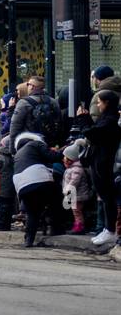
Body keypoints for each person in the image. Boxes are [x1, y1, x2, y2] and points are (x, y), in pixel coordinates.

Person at [81, 89, 120, 246]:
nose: (98, 105)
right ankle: (107, 228)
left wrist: (82, 120)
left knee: (107, 197)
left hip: (105, 163)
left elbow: (92, 133)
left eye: (99, 102)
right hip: (101, 162)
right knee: (104, 197)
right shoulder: (108, 119)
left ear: (107, 103)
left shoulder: (110, 120)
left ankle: (110, 230)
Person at [13, 130, 59, 248]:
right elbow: (52, 157)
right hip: (38, 177)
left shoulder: (18, 154)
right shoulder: (36, 144)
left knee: (32, 212)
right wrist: (65, 150)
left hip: (20, 184)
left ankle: (29, 239)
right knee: (56, 200)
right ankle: (55, 228)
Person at [61, 143, 95, 235]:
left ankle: (79, 227)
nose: (63, 159)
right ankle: (77, 226)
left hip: (77, 195)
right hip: (74, 195)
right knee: (76, 211)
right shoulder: (72, 168)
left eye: (65, 158)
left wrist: (67, 190)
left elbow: (74, 182)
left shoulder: (76, 169)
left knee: (77, 212)